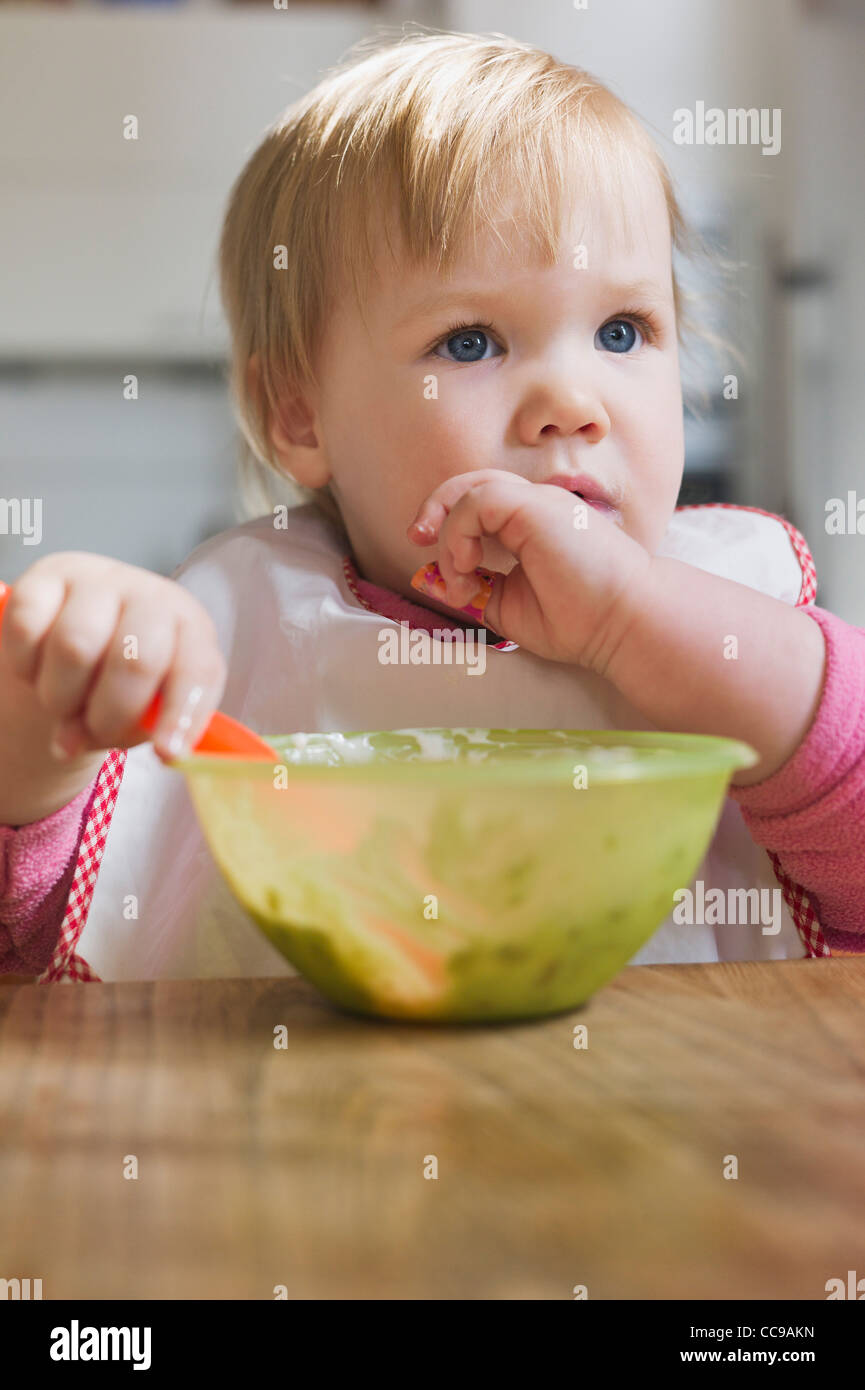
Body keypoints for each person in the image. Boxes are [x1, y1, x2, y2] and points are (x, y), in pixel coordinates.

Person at [1, 31, 863, 988]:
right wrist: (39, 725)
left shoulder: (726, 613)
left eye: (623, 330)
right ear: (299, 412)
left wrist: (631, 622)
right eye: (470, 342)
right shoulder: (247, 628)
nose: (574, 402)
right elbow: (25, 943)